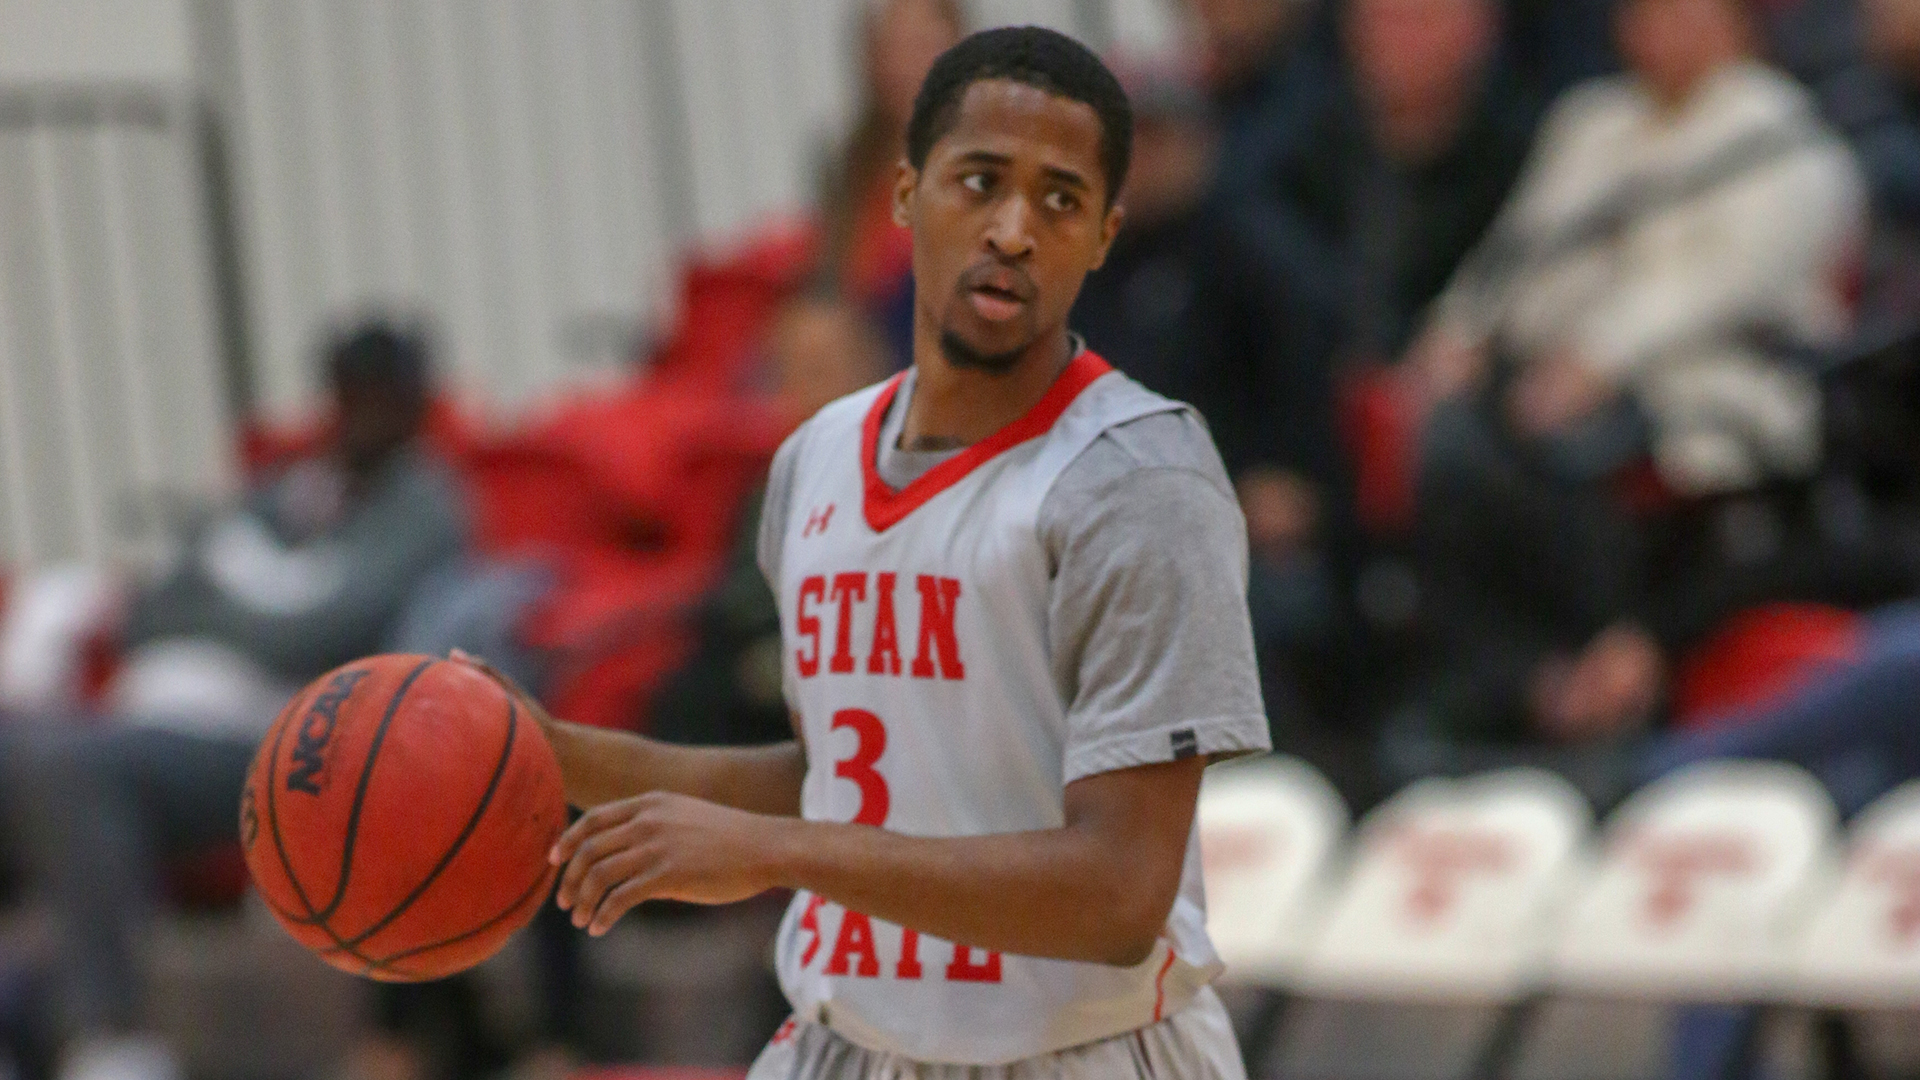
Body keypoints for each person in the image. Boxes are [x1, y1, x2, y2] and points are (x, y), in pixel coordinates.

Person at [467, 27, 1269, 1079]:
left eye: (1060, 199)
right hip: (845, 1048)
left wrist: (767, 856)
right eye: (980, 181)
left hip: (1084, 1053)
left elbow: (1120, 894)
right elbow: (841, 778)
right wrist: (554, 754)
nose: (1014, 229)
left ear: (1105, 235)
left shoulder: (1141, 481)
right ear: (902, 195)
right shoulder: (815, 462)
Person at [1388, 0, 1867, 793]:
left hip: (1710, 396)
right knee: (1446, 445)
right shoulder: (1592, 122)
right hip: (1541, 390)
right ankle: (1522, 692)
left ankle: (1607, 696)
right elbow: (1519, 250)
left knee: (1557, 451)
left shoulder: (1789, 139)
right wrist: (1457, 335)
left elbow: (1726, 286)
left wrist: (1600, 358)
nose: (1654, 26)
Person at [7, 322, 469, 1080]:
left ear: (418, 403)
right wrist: (260, 608)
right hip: (150, 713)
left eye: (384, 395)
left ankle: (113, 1039)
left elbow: (324, 636)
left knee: (75, 766)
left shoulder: (425, 507)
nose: (363, 412)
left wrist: (226, 598)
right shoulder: (285, 488)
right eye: (349, 392)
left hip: (281, 746)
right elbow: (150, 609)